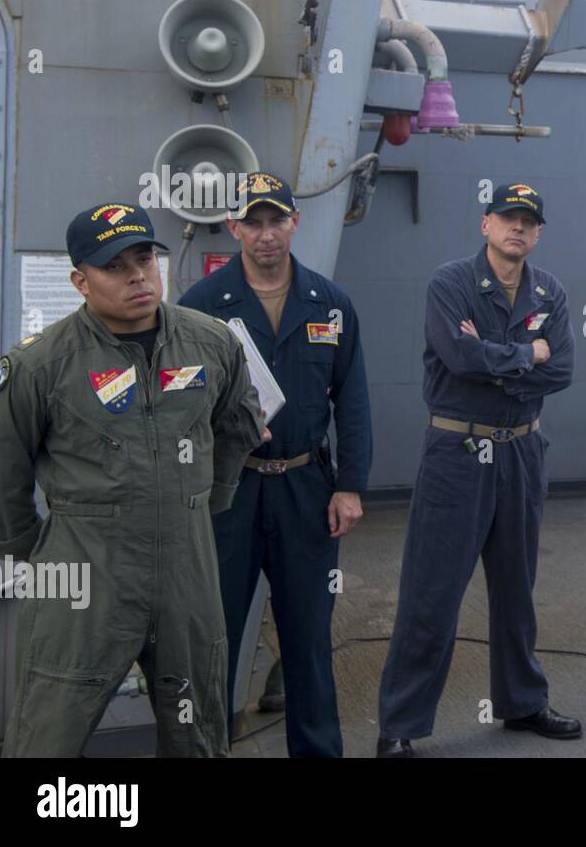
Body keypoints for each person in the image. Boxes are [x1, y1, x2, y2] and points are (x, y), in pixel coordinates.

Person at [0, 203, 265, 756]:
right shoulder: (41, 365)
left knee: (197, 730)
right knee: (49, 732)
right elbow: (0, 470)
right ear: (81, 281)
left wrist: (204, 505)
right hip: (84, 571)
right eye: (115, 266)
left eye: (144, 259)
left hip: (186, 567)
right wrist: (32, 554)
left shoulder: (211, 344)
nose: (137, 276)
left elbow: (237, 425)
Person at [377, 183, 577, 757]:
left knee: (517, 589)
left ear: (538, 233)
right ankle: (400, 724)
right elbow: (457, 357)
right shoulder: (451, 283)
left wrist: (492, 359)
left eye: (528, 221)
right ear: (485, 224)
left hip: (522, 452)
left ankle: (523, 703)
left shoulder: (550, 291)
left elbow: (561, 370)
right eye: (507, 217)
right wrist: (527, 354)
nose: (518, 228)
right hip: (458, 454)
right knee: (432, 591)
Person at [178, 172, 372, 758]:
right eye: (253, 222)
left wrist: (350, 487)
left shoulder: (330, 304)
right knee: (214, 637)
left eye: (276, 220)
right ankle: (206, 749)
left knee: (308, 638)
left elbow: (353, 400)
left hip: (305, 489)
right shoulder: (201, 306)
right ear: (233, 227)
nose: (266, 234)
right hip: (228, 492)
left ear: (295, 222)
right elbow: (178, 403)